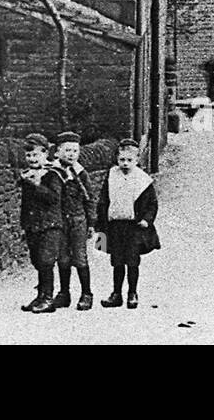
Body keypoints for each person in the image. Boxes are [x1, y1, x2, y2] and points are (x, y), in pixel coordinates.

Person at [95, 139, 160, 309]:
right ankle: (116, 293)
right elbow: (103, 200)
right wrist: (101, 222)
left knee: (132, 260)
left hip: (134, 227)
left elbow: (152, 203)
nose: (125, 163)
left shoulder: (142, 179)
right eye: (122, 159)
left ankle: (132, 292)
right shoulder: (111, 176)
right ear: (117, 159)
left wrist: (146, 219)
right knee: (117, 260)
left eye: (129, 160)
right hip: (115, 225)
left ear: (137, 160)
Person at [18, 132, 64, 314]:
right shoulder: (28, 174)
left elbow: (54, 198)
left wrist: (37, 184)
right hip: (32, 224)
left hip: (50, 224)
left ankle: (48, 298)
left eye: (36, 154)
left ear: (46, 153)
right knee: (37, 260)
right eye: (28, 155)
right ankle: (40, 295)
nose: (31, 159)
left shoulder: (53, 174)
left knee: (46, 261)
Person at [53, 130, 96, 311]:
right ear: (58, 151)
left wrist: (92, 222)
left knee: (79, 257)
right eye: (67, 150)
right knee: (62, 257)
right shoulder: (53, 172)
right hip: (60, 220)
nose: (71, 154)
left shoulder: (81, 173)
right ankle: (64, 293)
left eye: (75, 151)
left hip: (78, 219)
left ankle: (87, 293)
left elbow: (90, 198)